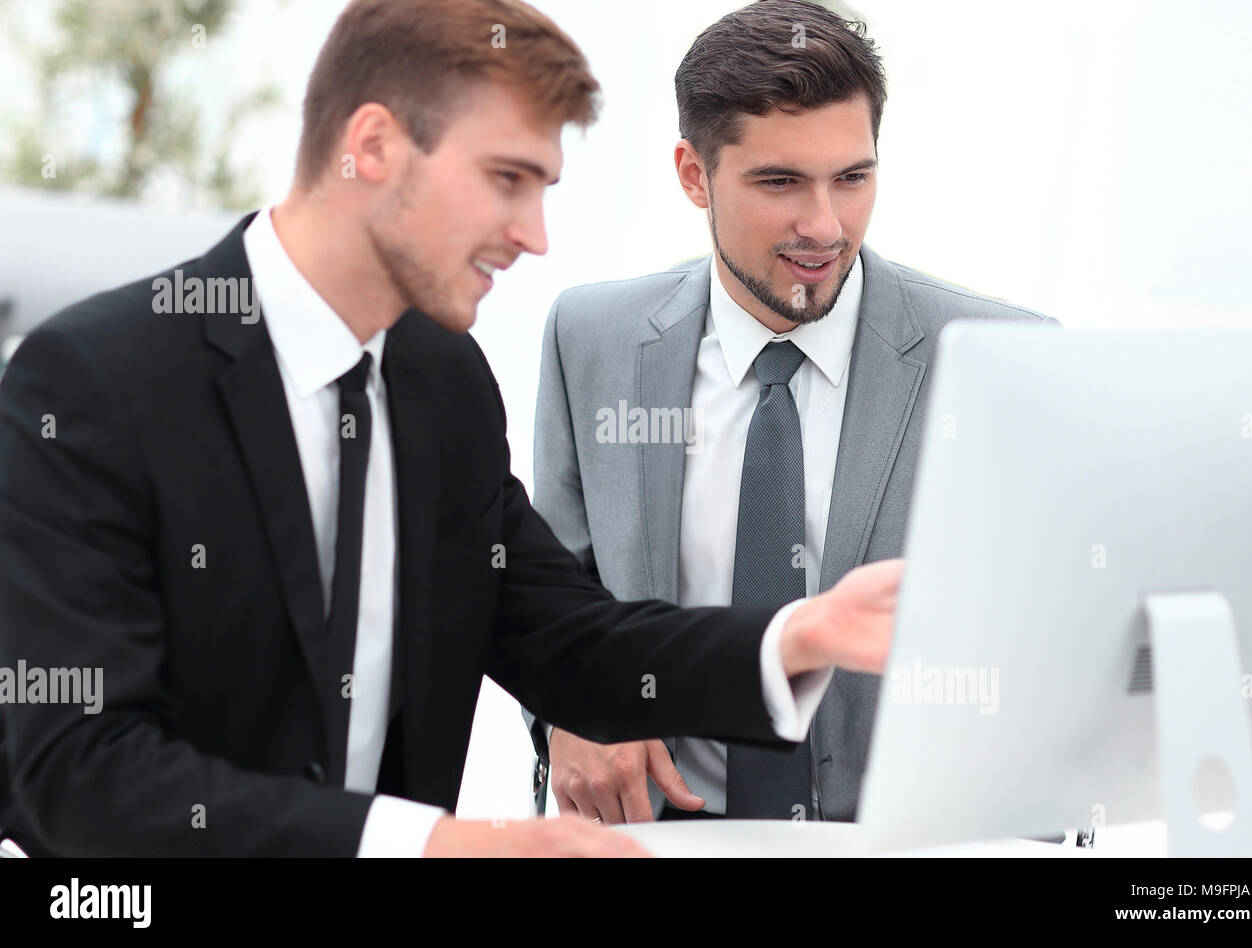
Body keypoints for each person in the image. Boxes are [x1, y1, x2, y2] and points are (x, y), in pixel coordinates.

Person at [0, 0, 902, 858]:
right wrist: (432, 844)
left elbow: (572, 645)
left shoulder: (442, 383)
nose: (535, 235)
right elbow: (81, 772)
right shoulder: (92, 383)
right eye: (507, 179)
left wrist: (802, 636)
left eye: (542, 188)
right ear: (375, 146)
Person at [525, 0, 1057, 824]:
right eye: (779, 182)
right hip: (655, 840)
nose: (824, 226)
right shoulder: (591, 338)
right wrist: (565, 712)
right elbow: (550, 604)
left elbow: (1050, 647)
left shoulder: (1000, 359)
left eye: (853, 177)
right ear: (693, 173)